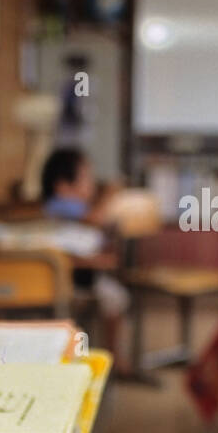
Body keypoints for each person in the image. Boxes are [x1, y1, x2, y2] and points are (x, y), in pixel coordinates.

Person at [40, 147, 131, 364]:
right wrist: (110, 193)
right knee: (115, 297)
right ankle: (114, 358)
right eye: (86, 178)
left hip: (71, 279)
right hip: (68, 282)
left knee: (112, 294)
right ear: (63, 186)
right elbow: (98, 219)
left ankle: (110, 355)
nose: (92, 183)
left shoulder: (64, 205)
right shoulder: (62, 206)